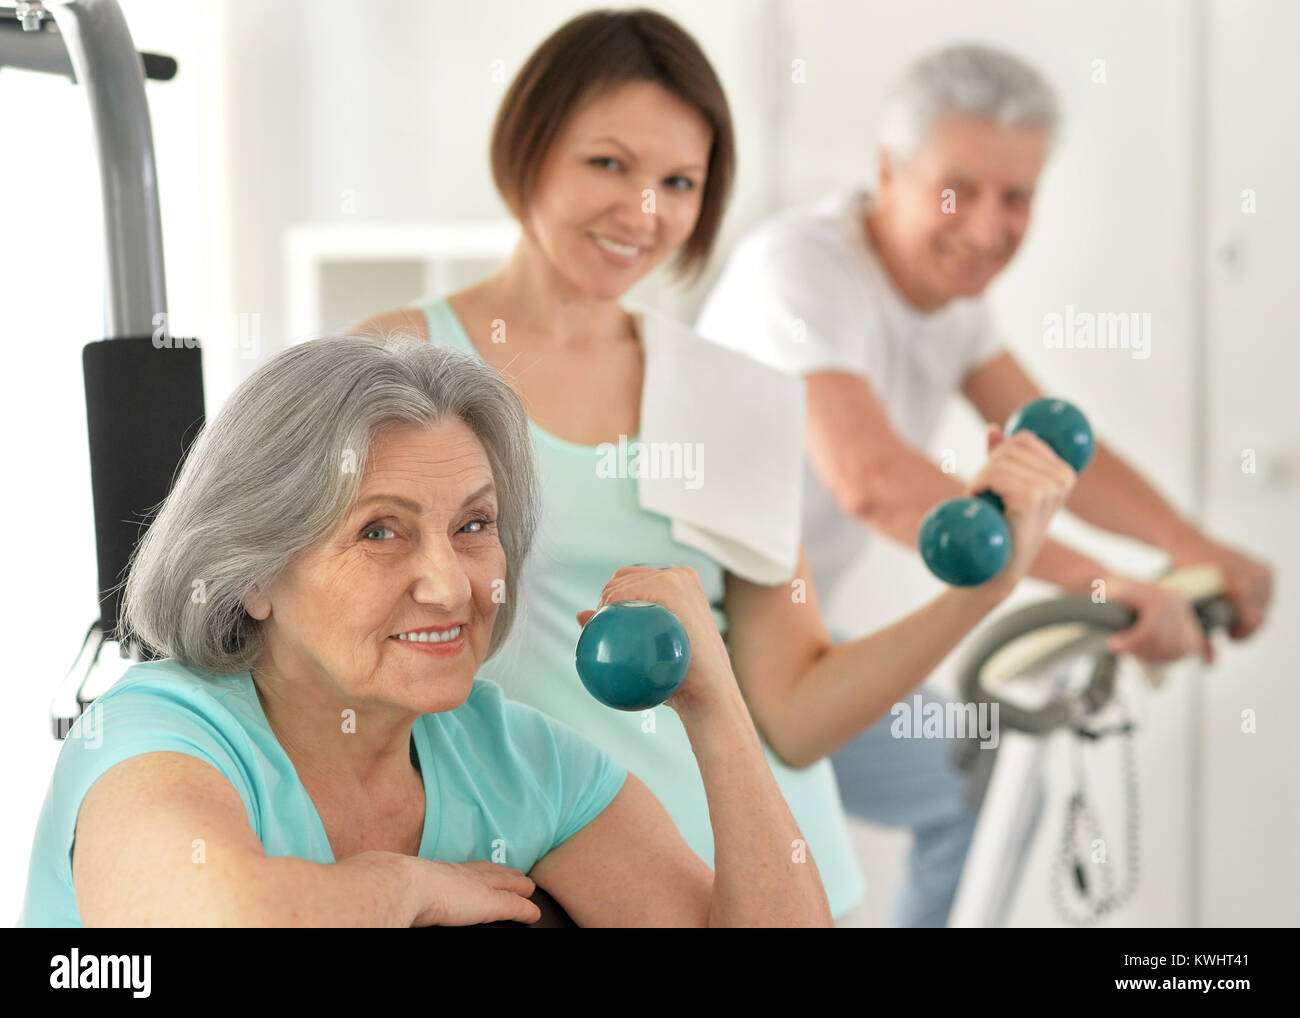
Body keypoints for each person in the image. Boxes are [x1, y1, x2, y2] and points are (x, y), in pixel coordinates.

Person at [350, 10, 1078, 924]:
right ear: (529, 149)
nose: (642, 212)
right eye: (608, 164)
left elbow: (794, 715)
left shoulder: (730, 396)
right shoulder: (392, 365)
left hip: (747, 884)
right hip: (534, 876)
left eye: (679, 182)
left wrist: (985, 588)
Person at [696, 43, 1275, 926]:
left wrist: (1193, 549)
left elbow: (1057, 452)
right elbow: (876, 482)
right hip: (701, 640)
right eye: (959, 190)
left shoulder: (953, 300)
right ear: (890, 172)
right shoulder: (803, 270)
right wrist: (1108, 585)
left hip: (789, 629)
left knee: (975, 780)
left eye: (1018, 198)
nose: (988, 227)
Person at [18, 336, 834, 927]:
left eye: (475, 526)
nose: (450, 586)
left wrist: (715, 699)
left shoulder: (516, 762)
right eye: (381, 532)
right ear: (254, 572)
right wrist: (405, 887)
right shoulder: (154, 731)